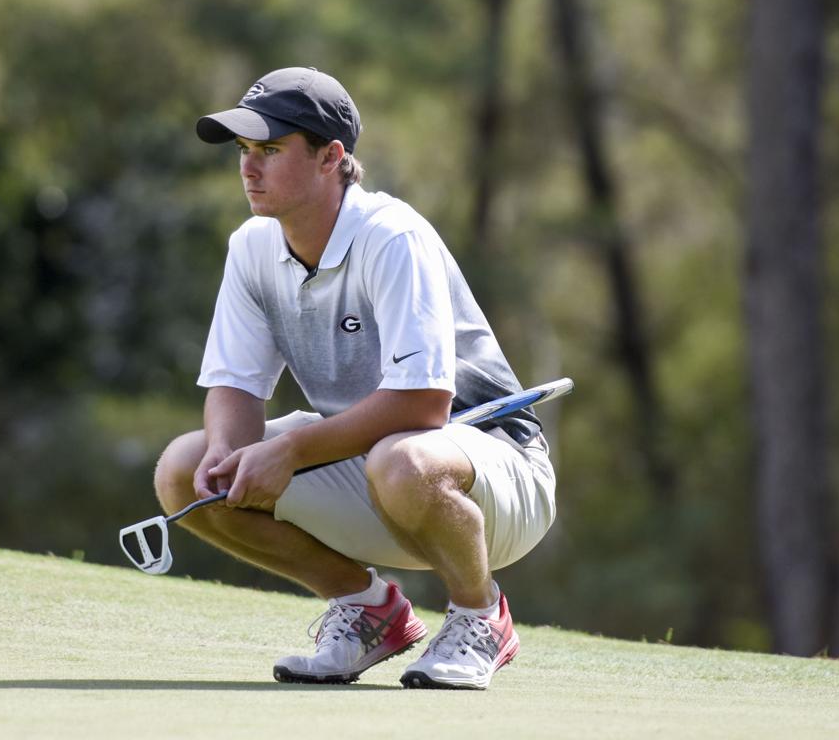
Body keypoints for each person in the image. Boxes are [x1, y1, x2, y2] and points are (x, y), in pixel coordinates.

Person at [154, 66, 556, 690]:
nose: (248, 168)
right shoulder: (252, 247)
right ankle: (370, 613)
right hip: (374, 467)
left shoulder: (391, 237)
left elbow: (424, 403)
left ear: (330, 158)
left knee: (402, 461)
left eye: (270, 150)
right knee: (186, 471)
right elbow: (235, 385)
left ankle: (481, 615)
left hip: (496, 473)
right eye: (243, 151)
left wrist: (287, 451)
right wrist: (231, 452)